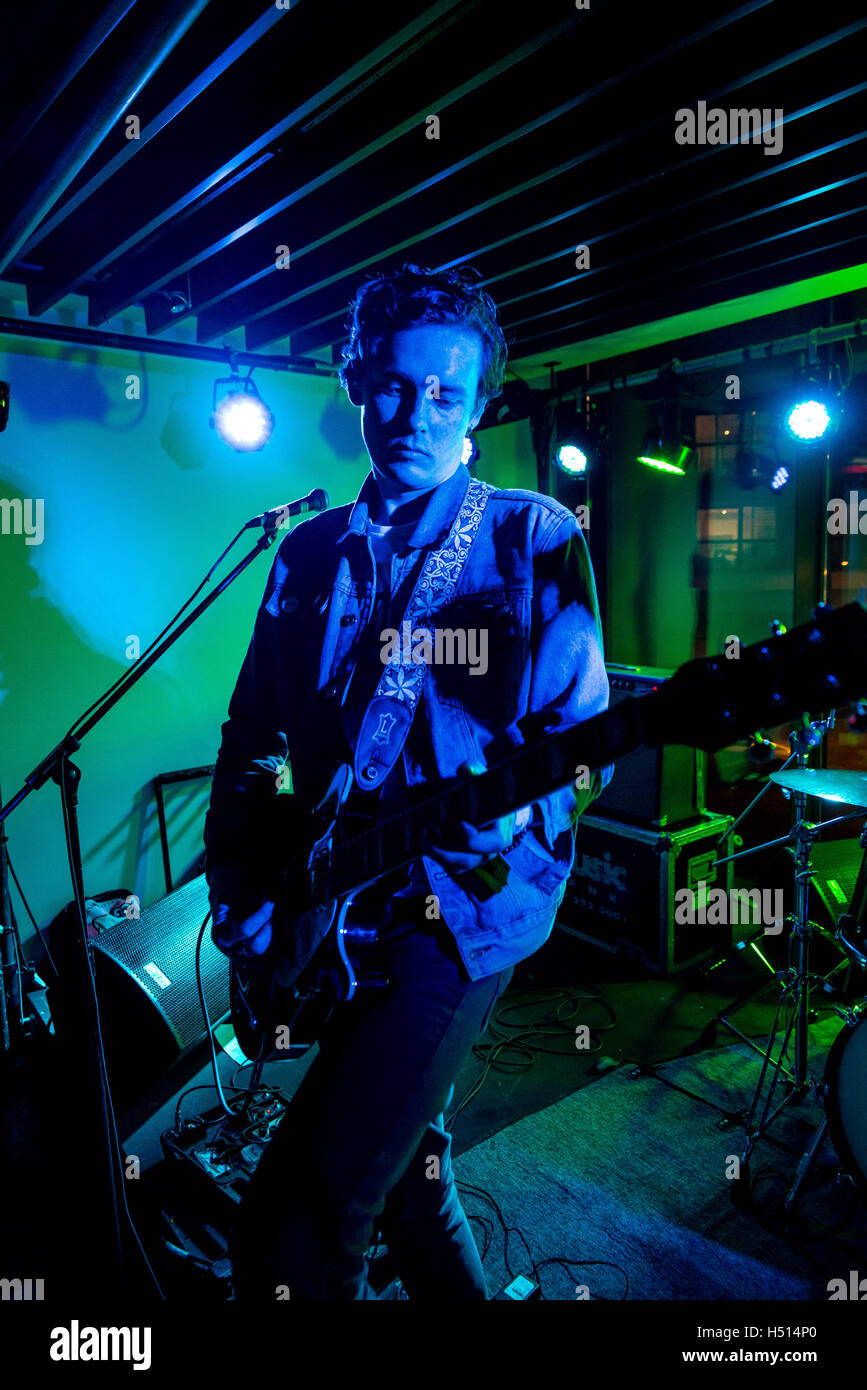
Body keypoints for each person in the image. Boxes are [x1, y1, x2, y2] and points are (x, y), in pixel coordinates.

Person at [203, 262, 612, 1300]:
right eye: (393, 384)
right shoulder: (303, 556)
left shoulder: (532, 537)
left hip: (459, 916)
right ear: (354, 381)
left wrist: (518, 801)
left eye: (444, 393)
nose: (415, 415)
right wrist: (241, 883)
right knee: (410, 1165)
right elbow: (253, 735)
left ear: (477, 405)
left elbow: (584, 745)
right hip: (332, 905)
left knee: (293, 1235)